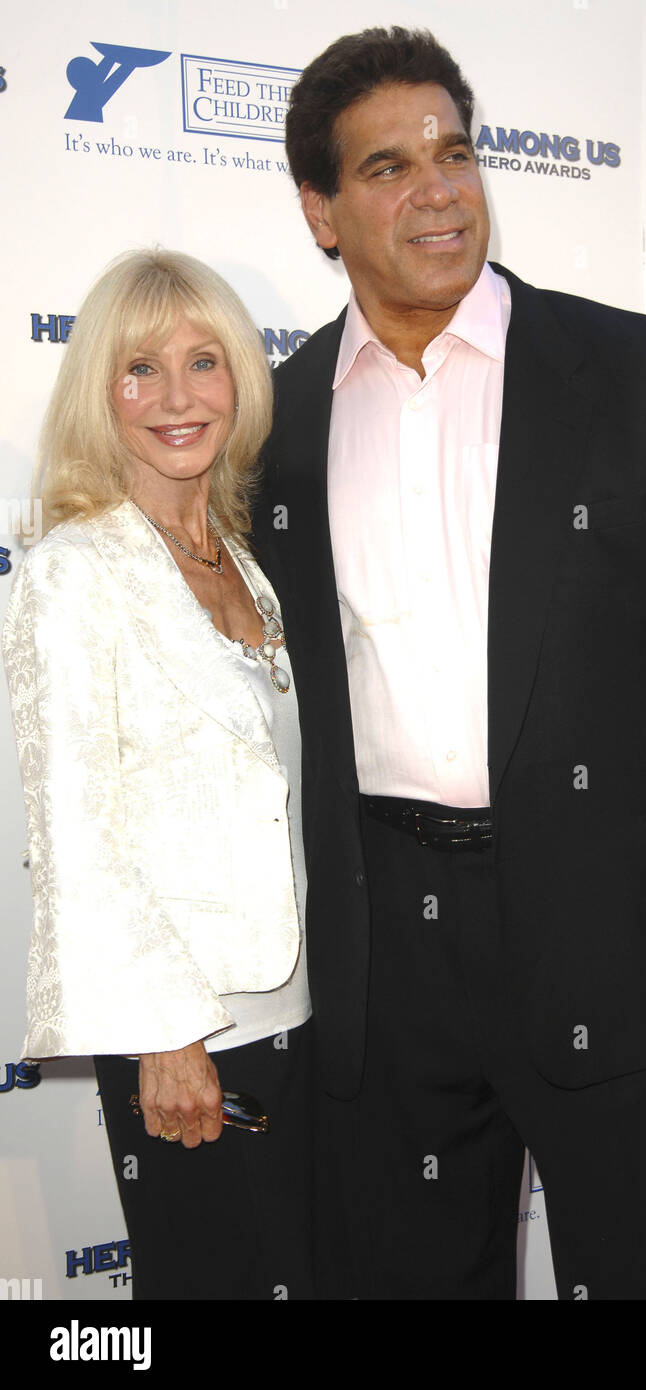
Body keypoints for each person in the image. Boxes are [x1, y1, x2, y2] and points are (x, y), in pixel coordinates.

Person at [253, 27, 646, 1300]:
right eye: (387, 168)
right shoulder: (271, 424)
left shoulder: (644, 375)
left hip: (622, 950)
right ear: (320, 213)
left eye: (453, 152)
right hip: (383, 964)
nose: (439, 190)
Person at [2, 249, 314, 1300]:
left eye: (204, 362)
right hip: (195, 1036)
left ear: (242, 381)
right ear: (100, 392)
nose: (178, 397)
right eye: (141, 370)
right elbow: (74, 829)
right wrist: (164, 1037)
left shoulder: (241, 560)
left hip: (304, 1020)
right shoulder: (73, 573)